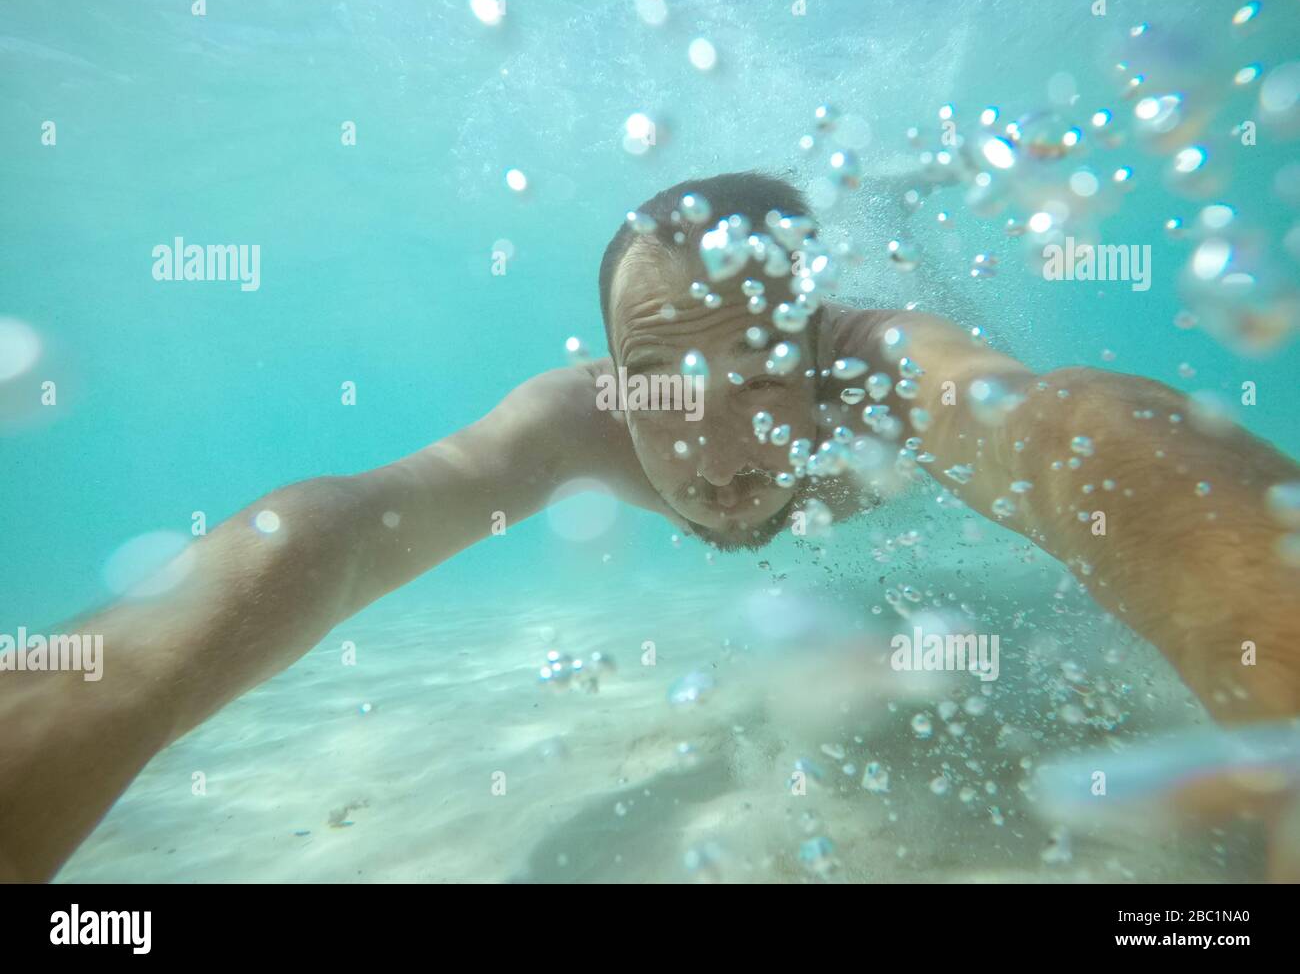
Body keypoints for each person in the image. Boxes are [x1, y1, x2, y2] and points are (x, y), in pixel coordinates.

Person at [1, 171, 1297, 883]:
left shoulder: (878, 365)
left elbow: (1068, 431)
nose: (718, 457)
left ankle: (889, 219)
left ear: (815, 344)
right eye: (662, 390)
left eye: (756, 379)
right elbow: (338, 527)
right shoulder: (581, 417)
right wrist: (79, 709)